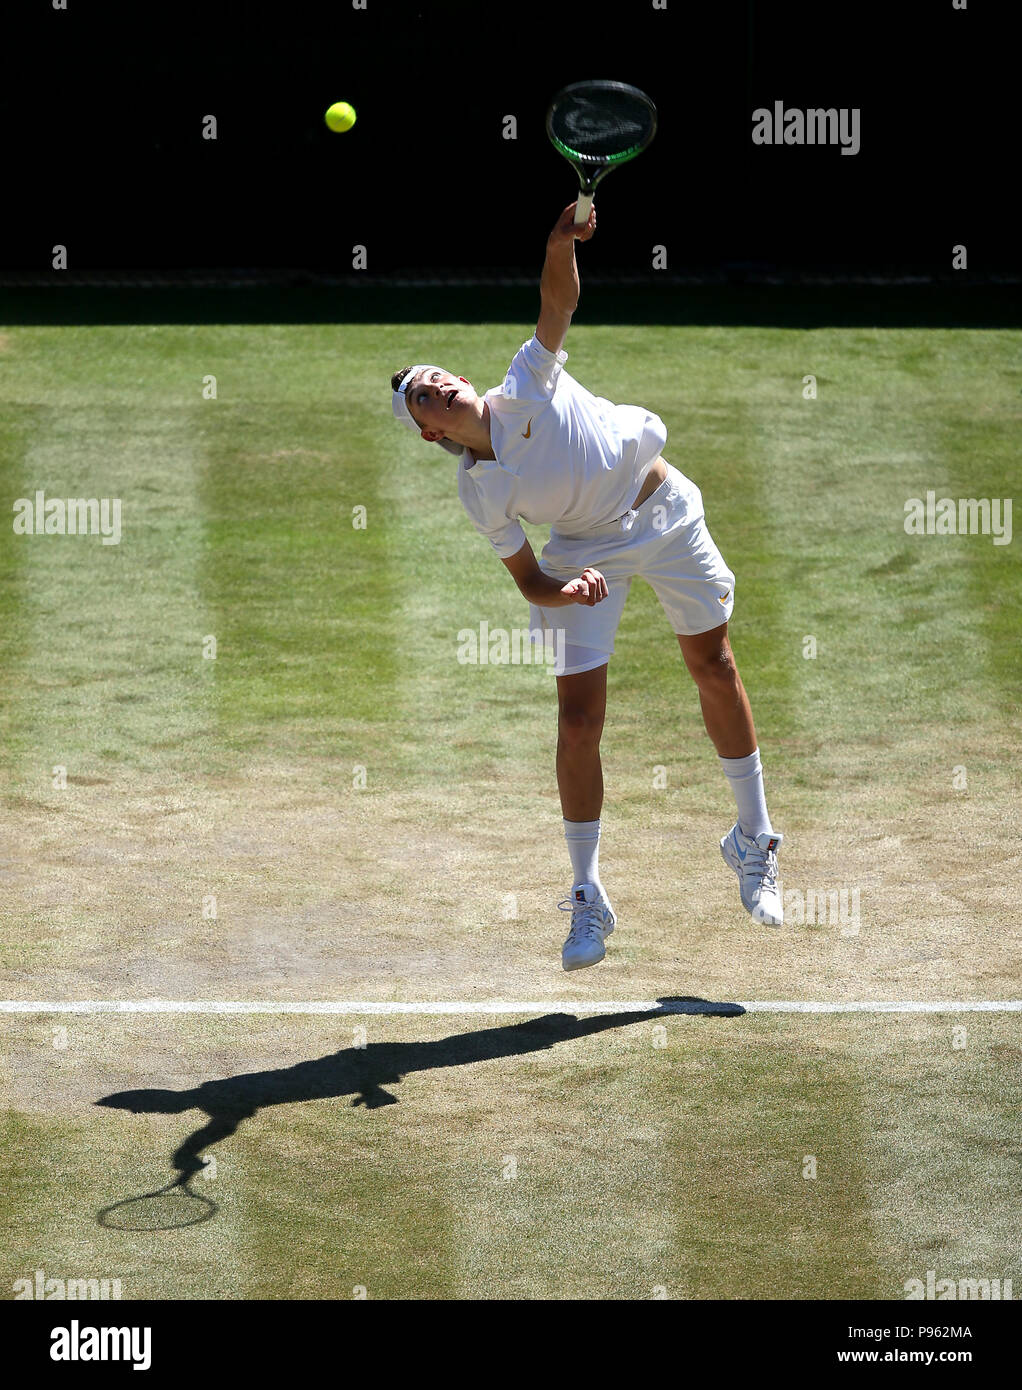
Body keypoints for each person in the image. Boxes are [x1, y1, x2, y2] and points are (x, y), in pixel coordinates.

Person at [390, 202, 783, 971]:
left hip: (662, 509)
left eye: (438, 378)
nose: (437, 388)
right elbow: (531, 578)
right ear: (432, 433)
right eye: (423, 399)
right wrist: (567, 594)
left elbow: (557, 303)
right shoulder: (480, 492)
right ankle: (586, 897)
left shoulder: (525, 384)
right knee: (577, 721)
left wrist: (557, 240)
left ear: (465, 383)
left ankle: (754, 840)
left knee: (716, 667)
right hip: (582, 551)